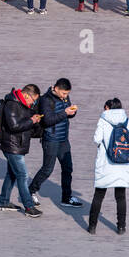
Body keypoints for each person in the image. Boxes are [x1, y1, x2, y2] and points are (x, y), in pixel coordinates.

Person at [30, 78, 82, 208]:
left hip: (63, 139)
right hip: (51, 138)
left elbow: (66, 114)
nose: (66, 96)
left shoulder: (64, 98)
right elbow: (47, 120)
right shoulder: (46, 100)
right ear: (56, 88)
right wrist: (65, 112)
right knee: (47, 169)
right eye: (64, 93)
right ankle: (30, 191)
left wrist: (71, 113)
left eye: (67, 94)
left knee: (68, 168)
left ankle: (66, 197)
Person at [88, 98, 129, 237]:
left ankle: (92, 226)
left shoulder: (103, 120)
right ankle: (121, 227)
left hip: (106, 163)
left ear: (107, 107)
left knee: (99, 195)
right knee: (120, 196)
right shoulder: (126, 120)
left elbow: (96, 139)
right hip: (123, 163)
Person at [0, 85, 43, 216]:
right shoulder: (12, 104)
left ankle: (4, 202)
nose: (33, 103)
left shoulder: (23, 104)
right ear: (27, 95)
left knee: (11, 174)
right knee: (22, 175)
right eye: (33, 100)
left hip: (17, 146)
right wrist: (31, 120)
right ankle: (29, 207)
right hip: (12, 146)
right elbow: (14, 126)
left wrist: (34, 119)